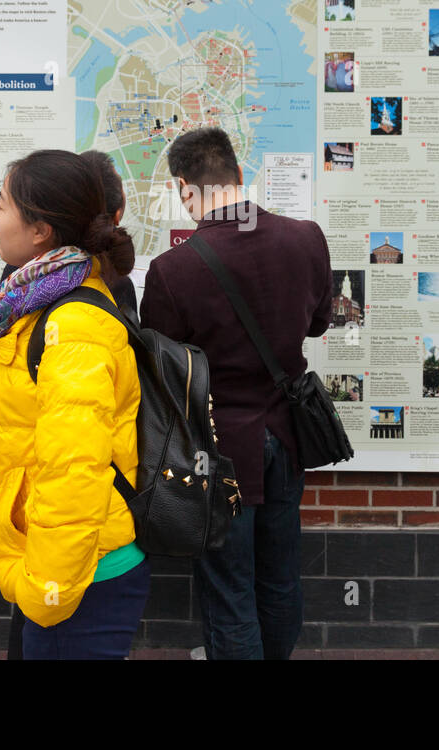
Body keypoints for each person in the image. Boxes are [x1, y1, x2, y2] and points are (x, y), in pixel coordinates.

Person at [139, 127, 332, 660]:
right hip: (287, 439)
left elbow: (164, 371)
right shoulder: (306, 238)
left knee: (229, 590)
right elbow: (318, 324)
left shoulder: (172, 270)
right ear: (239, 175)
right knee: (280, 577)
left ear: (185, 189)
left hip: (217, 449)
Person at [0, 149, 147, 659]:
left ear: (40, 231)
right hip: (63, 562)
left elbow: (75, 470)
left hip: (79, 574)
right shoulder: (33, 305)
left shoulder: (71, 324)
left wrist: (45, 591)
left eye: (3, 203)